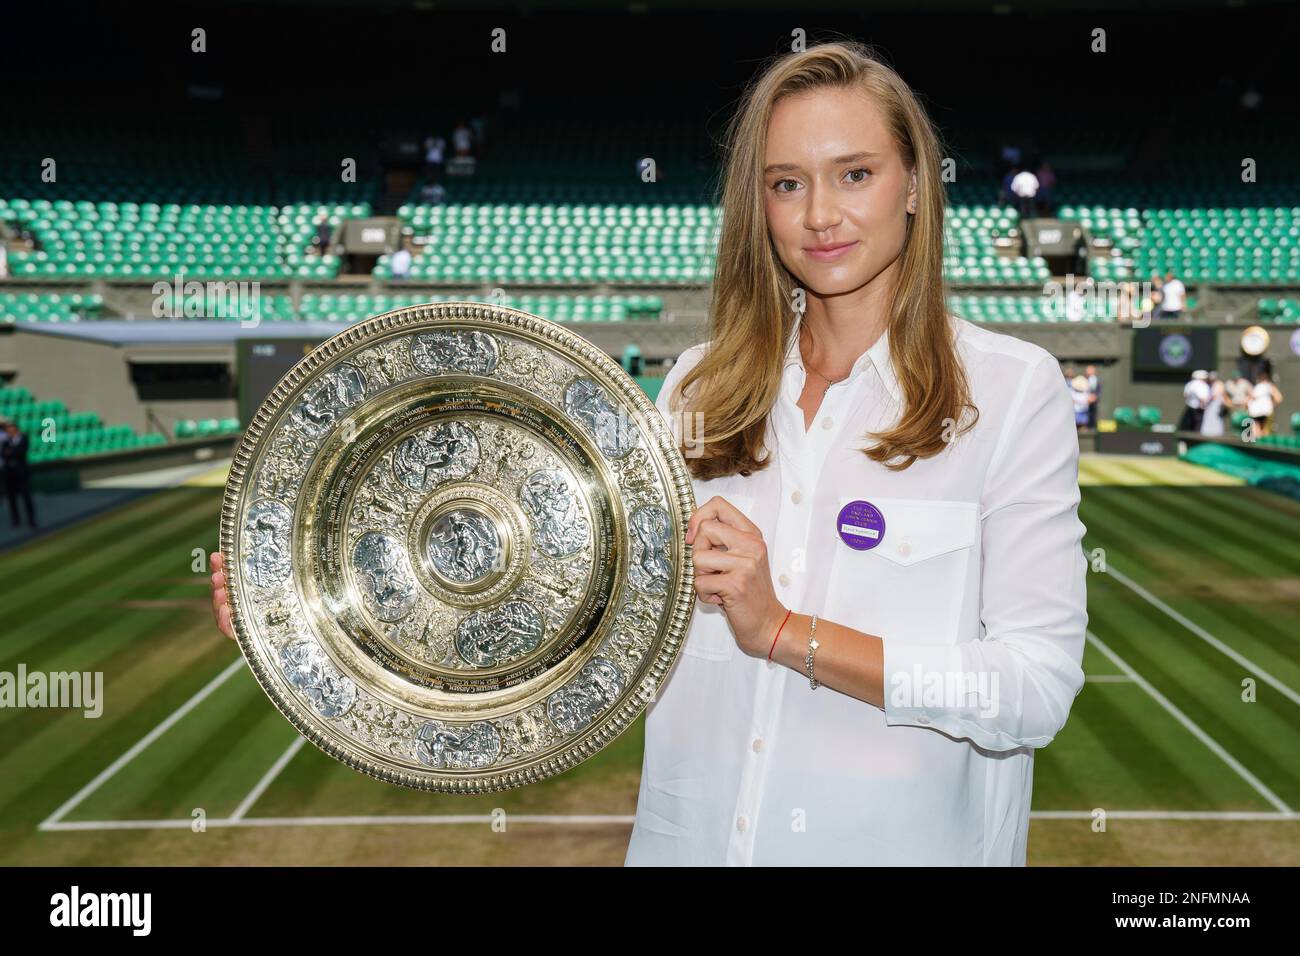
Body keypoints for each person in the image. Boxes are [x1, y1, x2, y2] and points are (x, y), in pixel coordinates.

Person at [212, 41, 1089, 867]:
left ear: (913, 186)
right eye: (787, 184)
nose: (820, 215)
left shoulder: (1011, 392)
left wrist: (785, 633)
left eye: (854, 174)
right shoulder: (698, 390)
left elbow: (1033, 688)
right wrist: (310, 610)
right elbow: (586, 624)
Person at [1, 417, 37, 529]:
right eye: (8, 429)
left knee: (26, 496)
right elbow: (4, 454)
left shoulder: (23, 438)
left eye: (11, 428)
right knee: (11, 498)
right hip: (9, 473)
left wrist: (11, 453)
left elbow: (20, 452)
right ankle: (16, 520)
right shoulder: (7, 441)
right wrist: (11, 453)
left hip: (21, 472)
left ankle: (31, 520)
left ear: (15, 429)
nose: (9, 431)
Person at [1248, 369, 1283, 436]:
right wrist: (1272, 405)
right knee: (1265, 431)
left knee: (1256, 431)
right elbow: (1279, 398)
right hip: (1265, 411)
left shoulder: (1256, 387)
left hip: (1255, 412)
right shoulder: (1269, 386)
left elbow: (1250, 399)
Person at [1201, 371, 1226, 437]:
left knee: (1215, 419)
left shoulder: (1219, 384)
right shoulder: (1210, 385)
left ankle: (1216, 433)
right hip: (1211, 405)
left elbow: (1215, 396)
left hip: (1216, 405)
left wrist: (1207, 400)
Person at [1085, 364, 1100, 429]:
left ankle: (1092, 426)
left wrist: (1095, 396)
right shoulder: (1085, 379)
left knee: (1093, 414)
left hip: (1093, 401)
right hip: (1086, 400)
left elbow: (1098, 389)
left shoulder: (1097, 380)